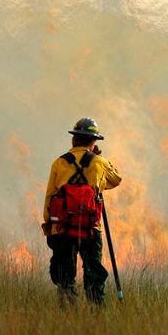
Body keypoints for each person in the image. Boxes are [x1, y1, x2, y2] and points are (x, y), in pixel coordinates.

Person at [42, 117, 122, 305]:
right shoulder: (99, 162)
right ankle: (96, 309)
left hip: (63, 228)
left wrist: (49, 225)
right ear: (93, 141)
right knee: (93, 270)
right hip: (91, 228)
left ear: (74, 139)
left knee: (64, 272)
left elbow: (50, 196)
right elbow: (116, 179)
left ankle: (68, 309)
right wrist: (98, 159)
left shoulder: (59, 163)